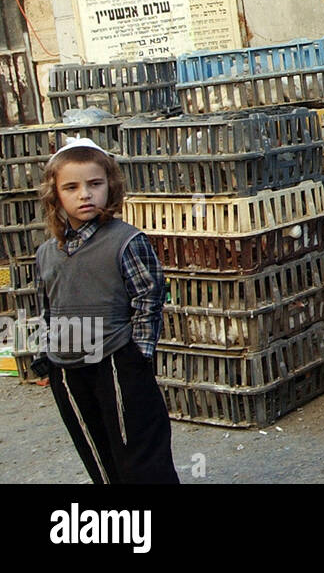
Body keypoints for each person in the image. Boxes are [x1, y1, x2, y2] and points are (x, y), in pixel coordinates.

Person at [33, 138, 179, 484]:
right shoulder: (46, 253)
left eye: (94, 184)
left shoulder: (125, 240)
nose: (85, 194)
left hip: (115, 362)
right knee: (97, 455)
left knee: (140, 456)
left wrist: (138, 357)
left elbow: (148, 298)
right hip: (68, 368)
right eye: (72, 187)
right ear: (55, 196)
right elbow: (47, 307)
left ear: (109, 188)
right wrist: (45, 355)